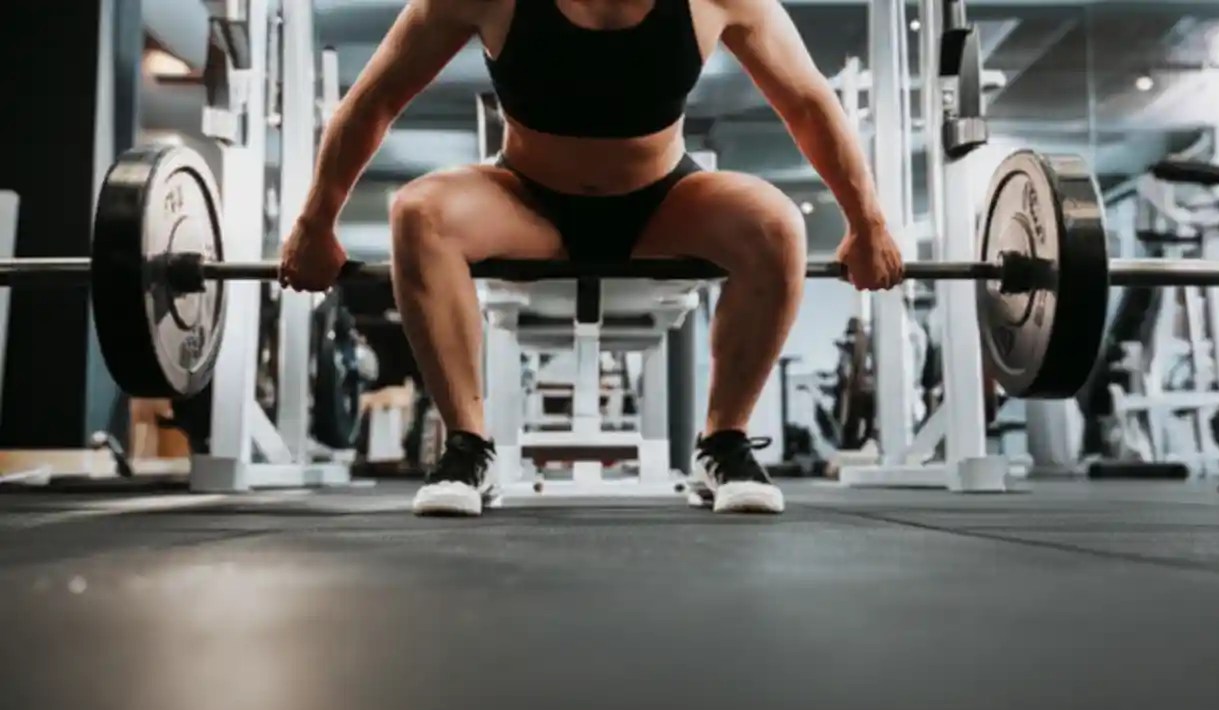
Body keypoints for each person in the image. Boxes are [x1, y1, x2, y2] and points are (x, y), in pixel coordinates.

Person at [279, 0, 905, 517]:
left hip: (664, 202)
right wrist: (315, 224)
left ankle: (724, 441)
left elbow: (808, 103)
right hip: (525, 202)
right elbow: (376, 99)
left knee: (776, 224)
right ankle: (468, 446)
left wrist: (867, 223)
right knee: (419, 212)